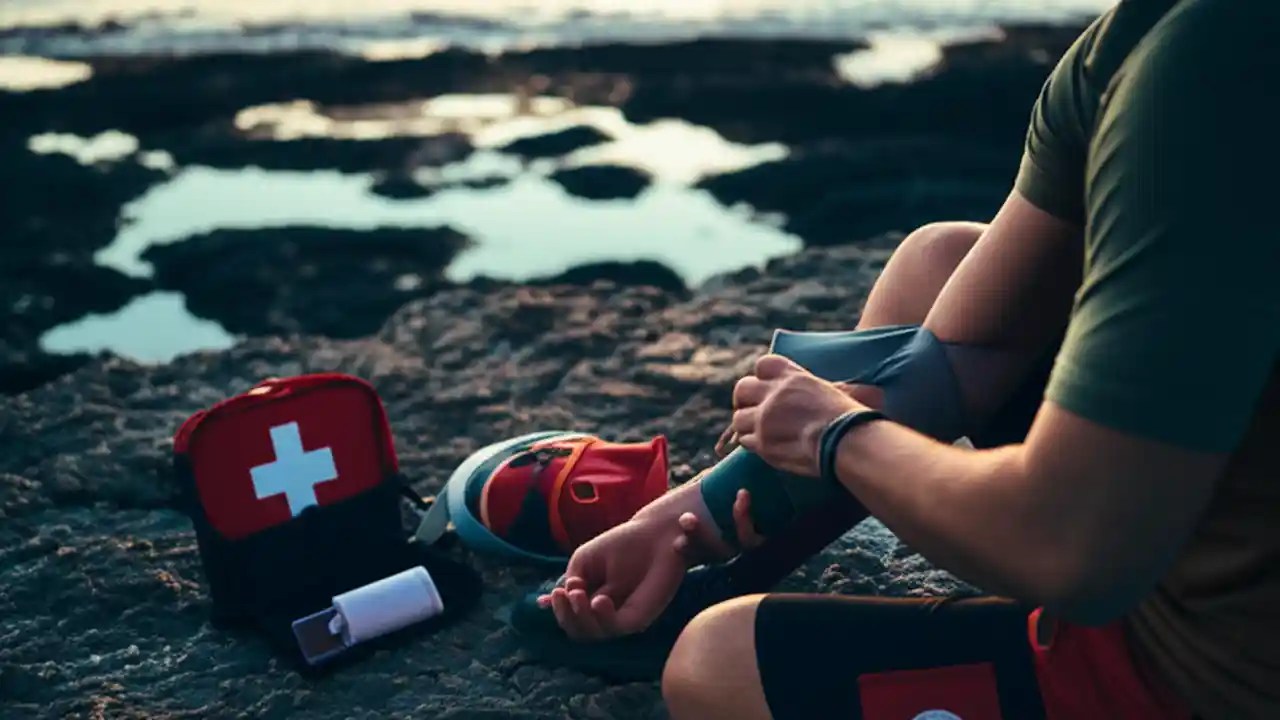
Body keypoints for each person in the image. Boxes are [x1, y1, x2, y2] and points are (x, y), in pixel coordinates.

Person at [533, 1, 1280, 717]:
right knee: (943, 263)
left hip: (1221, 671)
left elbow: (1069, 550)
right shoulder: (1141, 37)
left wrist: (838, 437)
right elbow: (968, 350)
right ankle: (725, 570)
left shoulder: (1213, 67)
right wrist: (684, 520)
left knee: (717, 662)